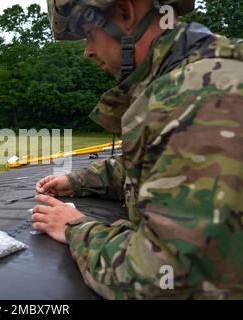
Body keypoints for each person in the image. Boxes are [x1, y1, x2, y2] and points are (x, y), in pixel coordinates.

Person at [33, 0, 243, 299]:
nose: (87, 51)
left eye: (88, 33)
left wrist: (76, 227)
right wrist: (77, 181)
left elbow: (169, 277)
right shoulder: (189, 74)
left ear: (125, 13)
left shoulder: (201, 93)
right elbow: (156, 166)